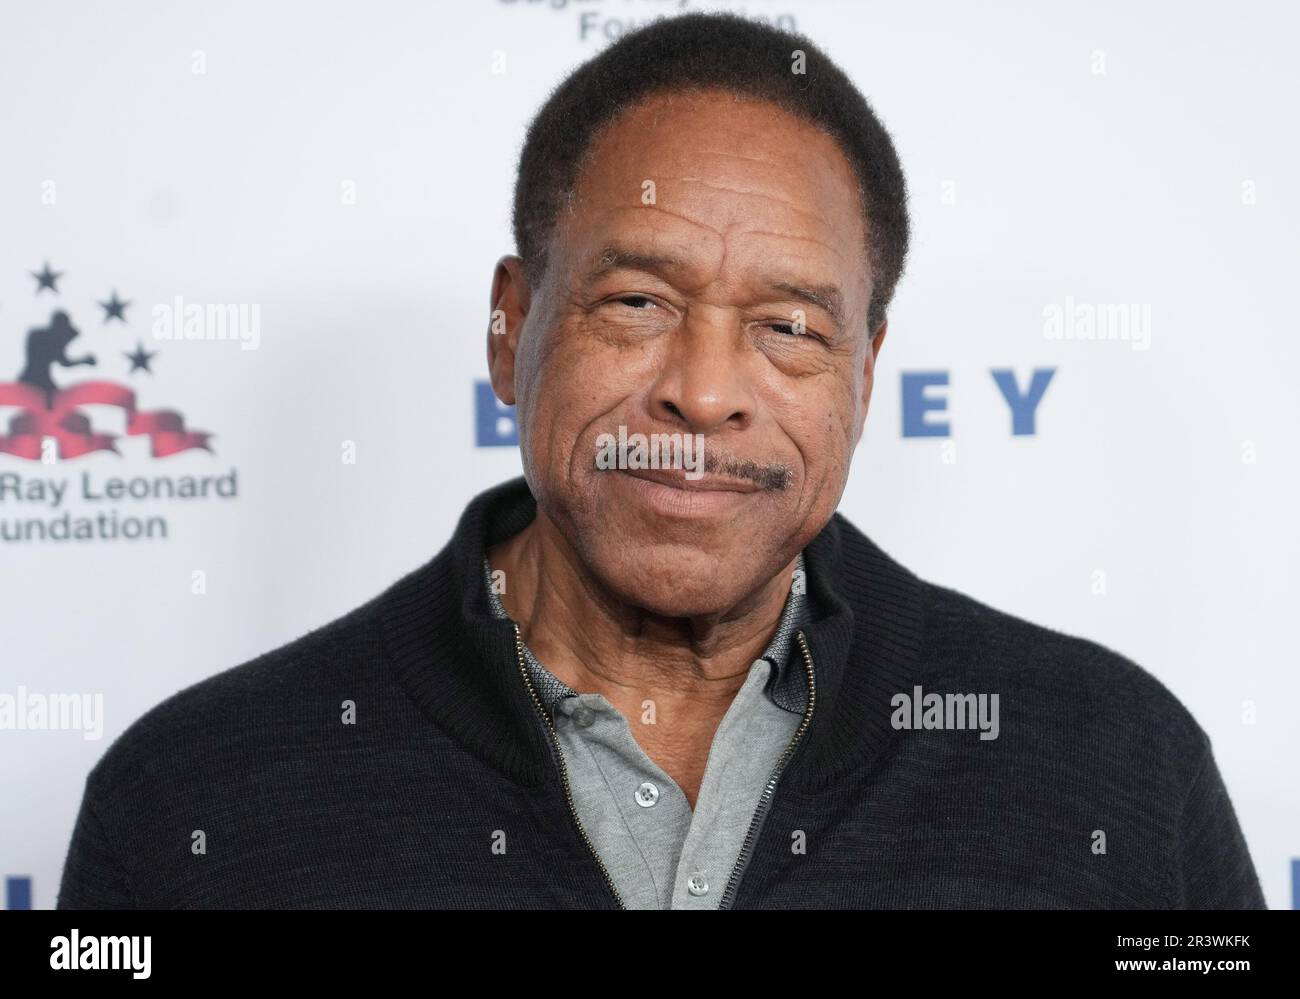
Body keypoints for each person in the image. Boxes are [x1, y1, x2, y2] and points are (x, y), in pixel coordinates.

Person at [57, 12, 1265, 910]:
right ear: (510, 329)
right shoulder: (193, 801)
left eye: (789, 327)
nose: (705, 389)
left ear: (864, 371)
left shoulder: (1115, 768)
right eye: (636, 301)